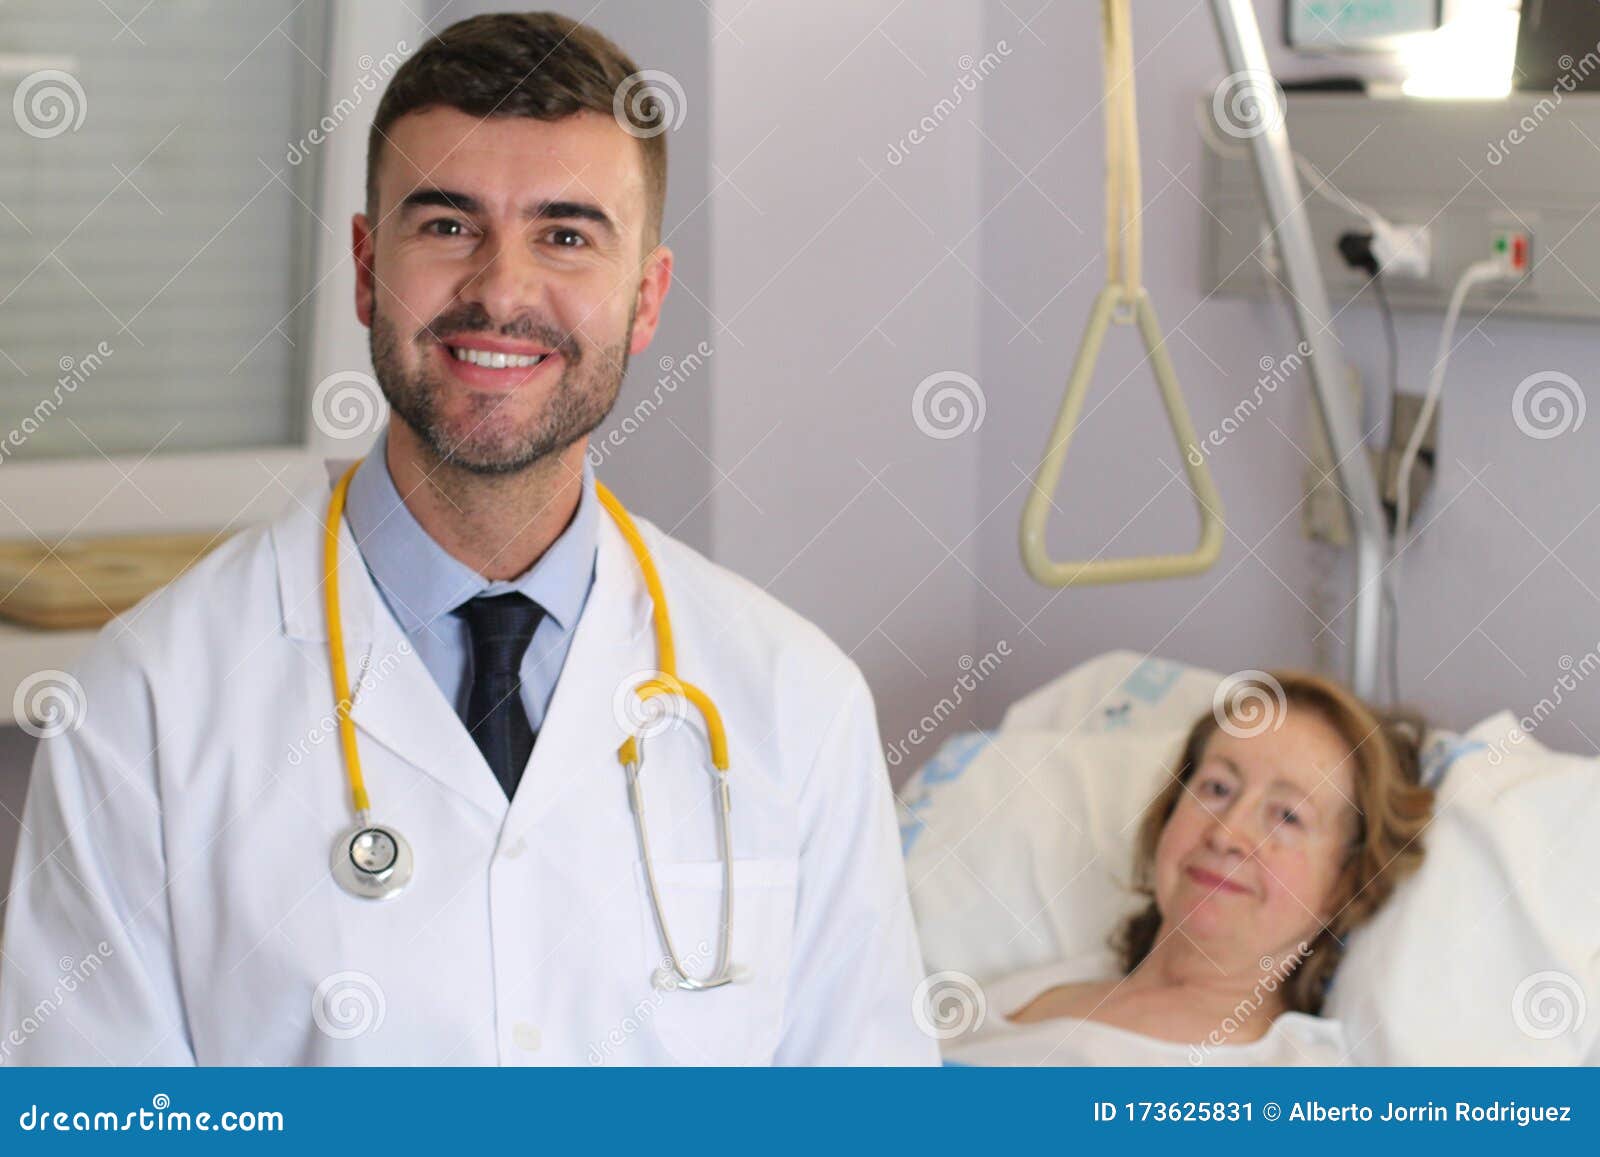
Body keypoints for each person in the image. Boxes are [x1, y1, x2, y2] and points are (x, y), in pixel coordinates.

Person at [0, 12, 935, 1067]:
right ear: (364, 267)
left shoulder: (795, 700)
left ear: (647, 299)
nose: (500, 288)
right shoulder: (150, 700)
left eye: (567, 234)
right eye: (447, 225)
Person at [944, 670, 1434, 1066]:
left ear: (1345, 885)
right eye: (1218, 788)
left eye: (1286, 816)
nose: (1226, 834)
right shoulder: (1023, 992)